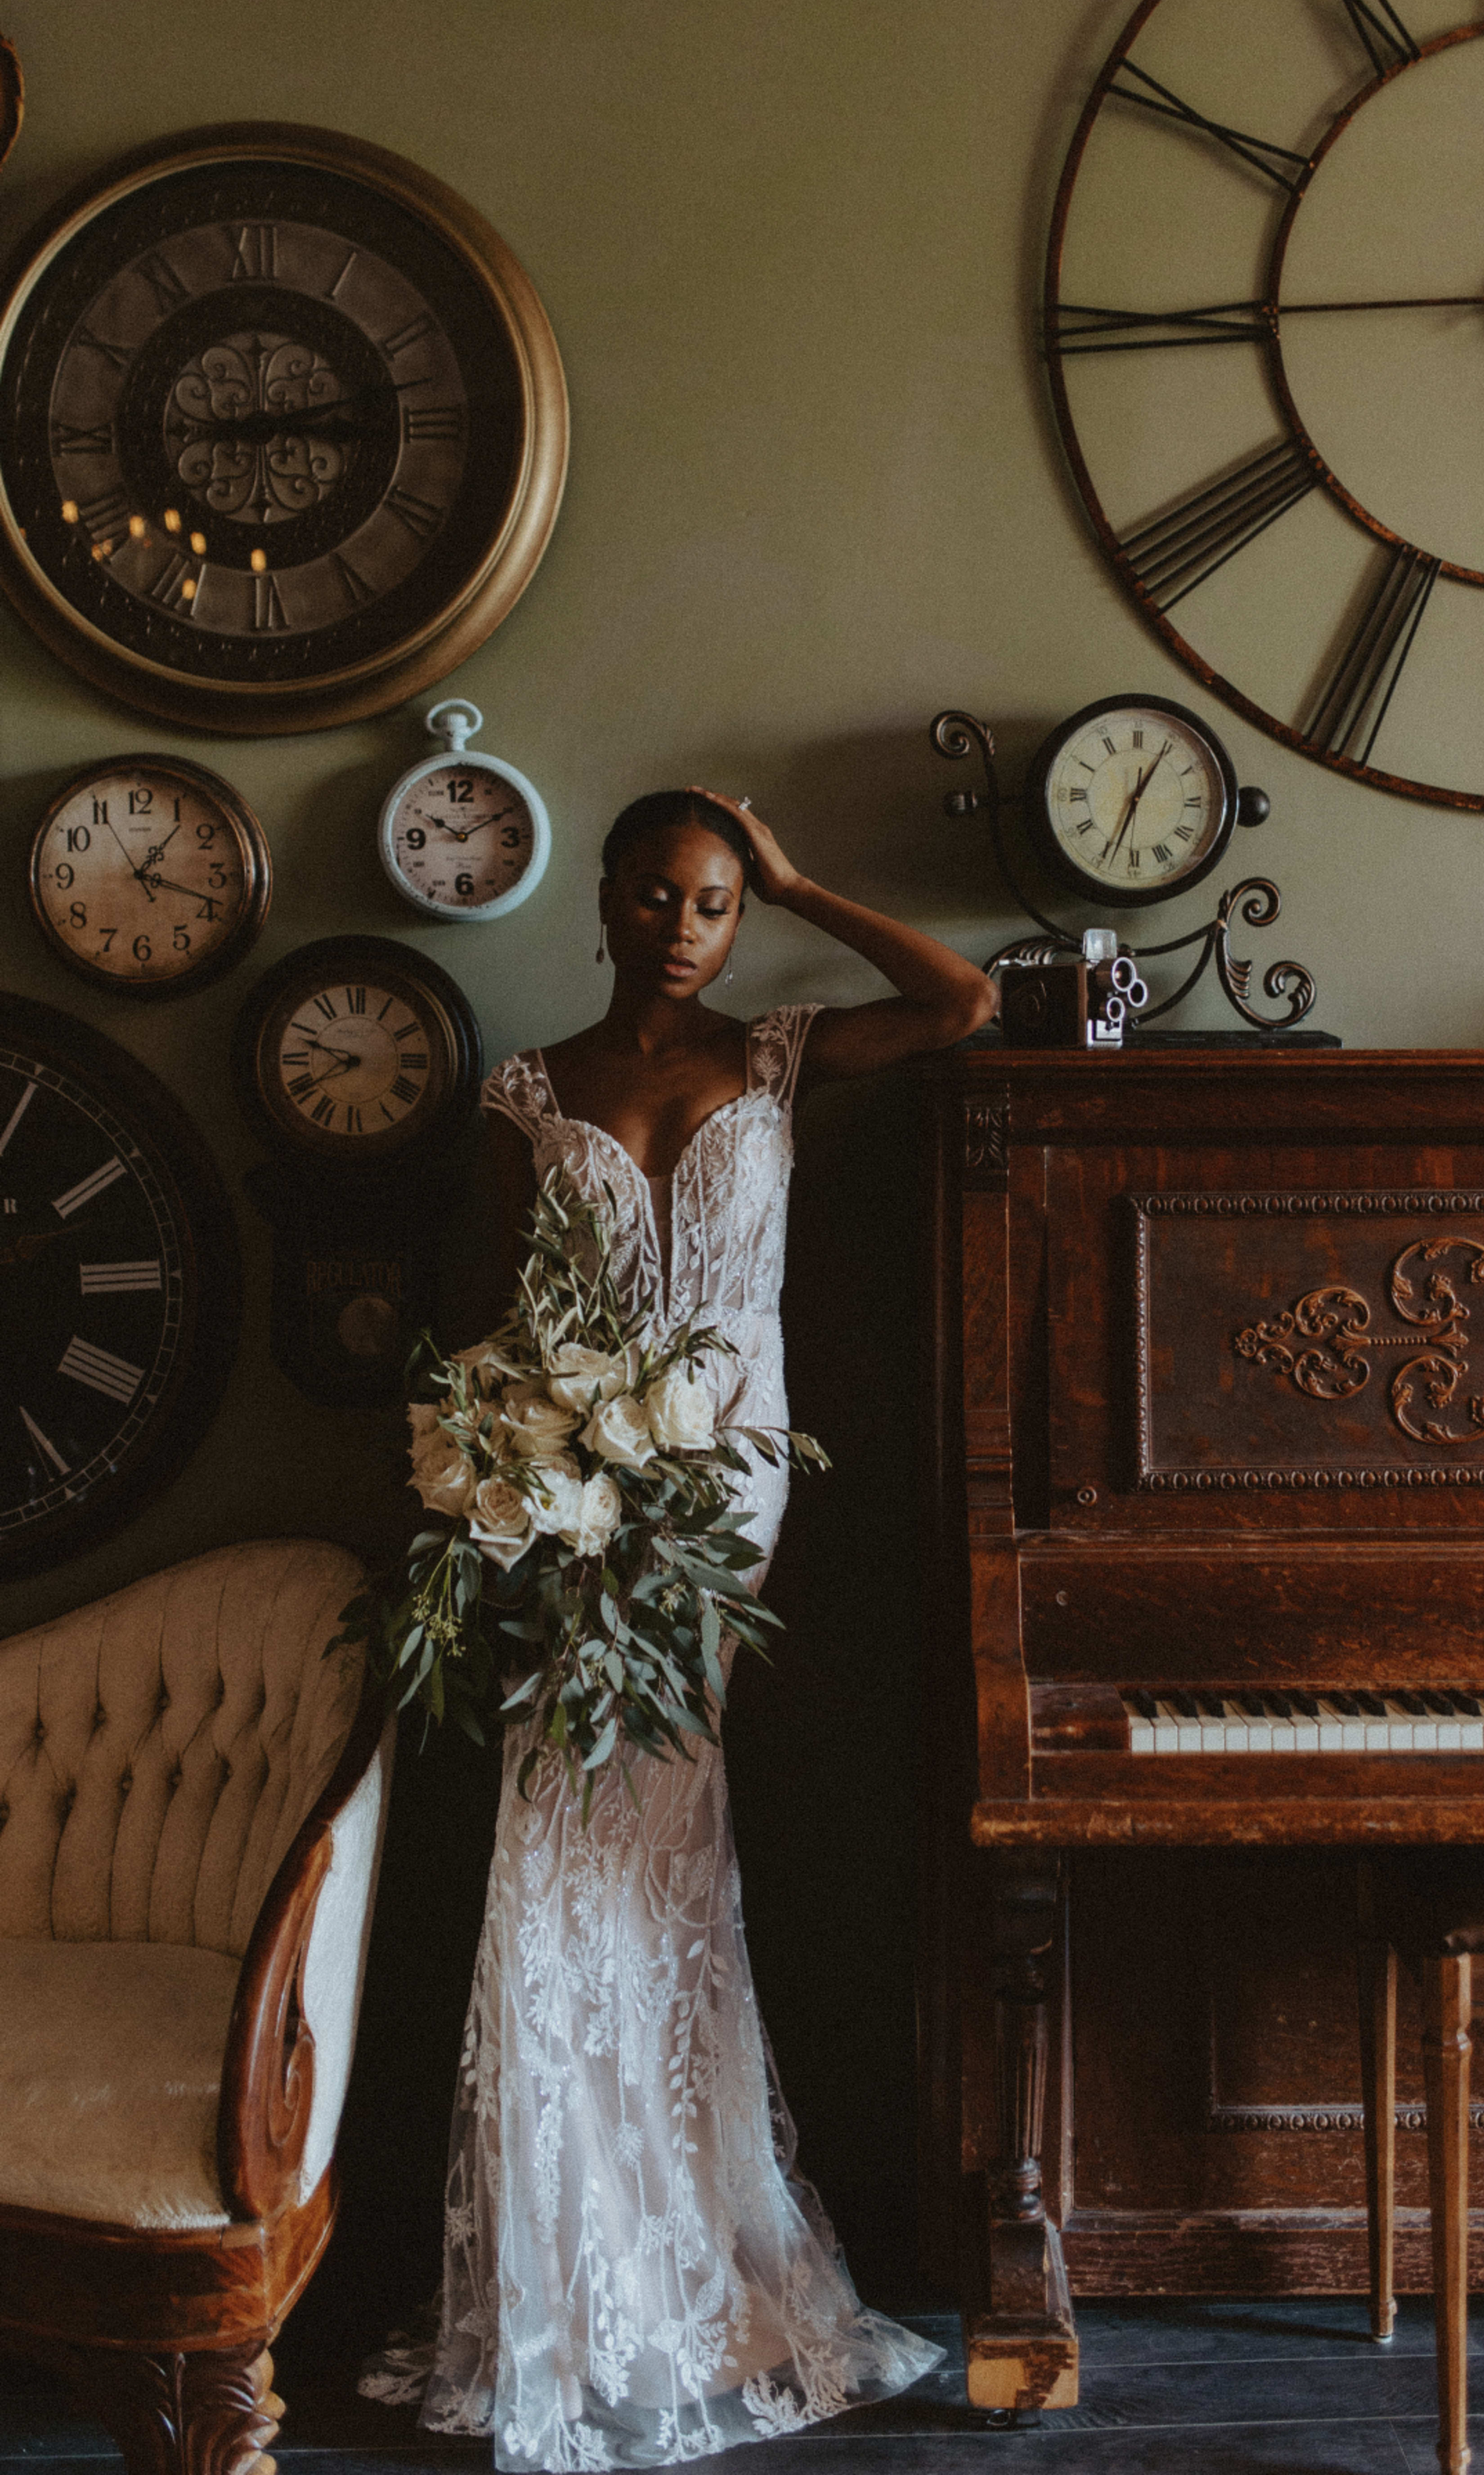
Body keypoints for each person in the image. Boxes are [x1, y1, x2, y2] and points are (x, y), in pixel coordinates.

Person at [363, 788, 996, 2471]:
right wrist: (504, 1473)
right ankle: (563, 2268)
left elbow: (963, 1002)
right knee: (551, 1835)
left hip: (722, 1495)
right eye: (658, 893)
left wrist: (805, 877)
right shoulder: (526, 1089)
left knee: (660, 1821)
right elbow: (484, 1321)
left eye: (716, 900)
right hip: (561, 1490)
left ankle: (677, 2256)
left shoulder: (780, 1054)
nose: (685, 923)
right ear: (607, 901)